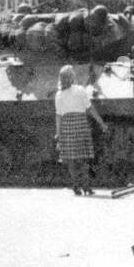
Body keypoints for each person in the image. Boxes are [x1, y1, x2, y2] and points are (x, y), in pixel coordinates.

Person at [54, 65, 106, 195]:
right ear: (72, 78)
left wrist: (58, 134)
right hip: (80, 125)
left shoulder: (58, 94)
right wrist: (101, 123)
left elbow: (58, 115)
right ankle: (87, 187)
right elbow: (90, 108)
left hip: (67, 126)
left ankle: (76, 187)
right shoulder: (80, 90)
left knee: (72, 160)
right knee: (83, 159)